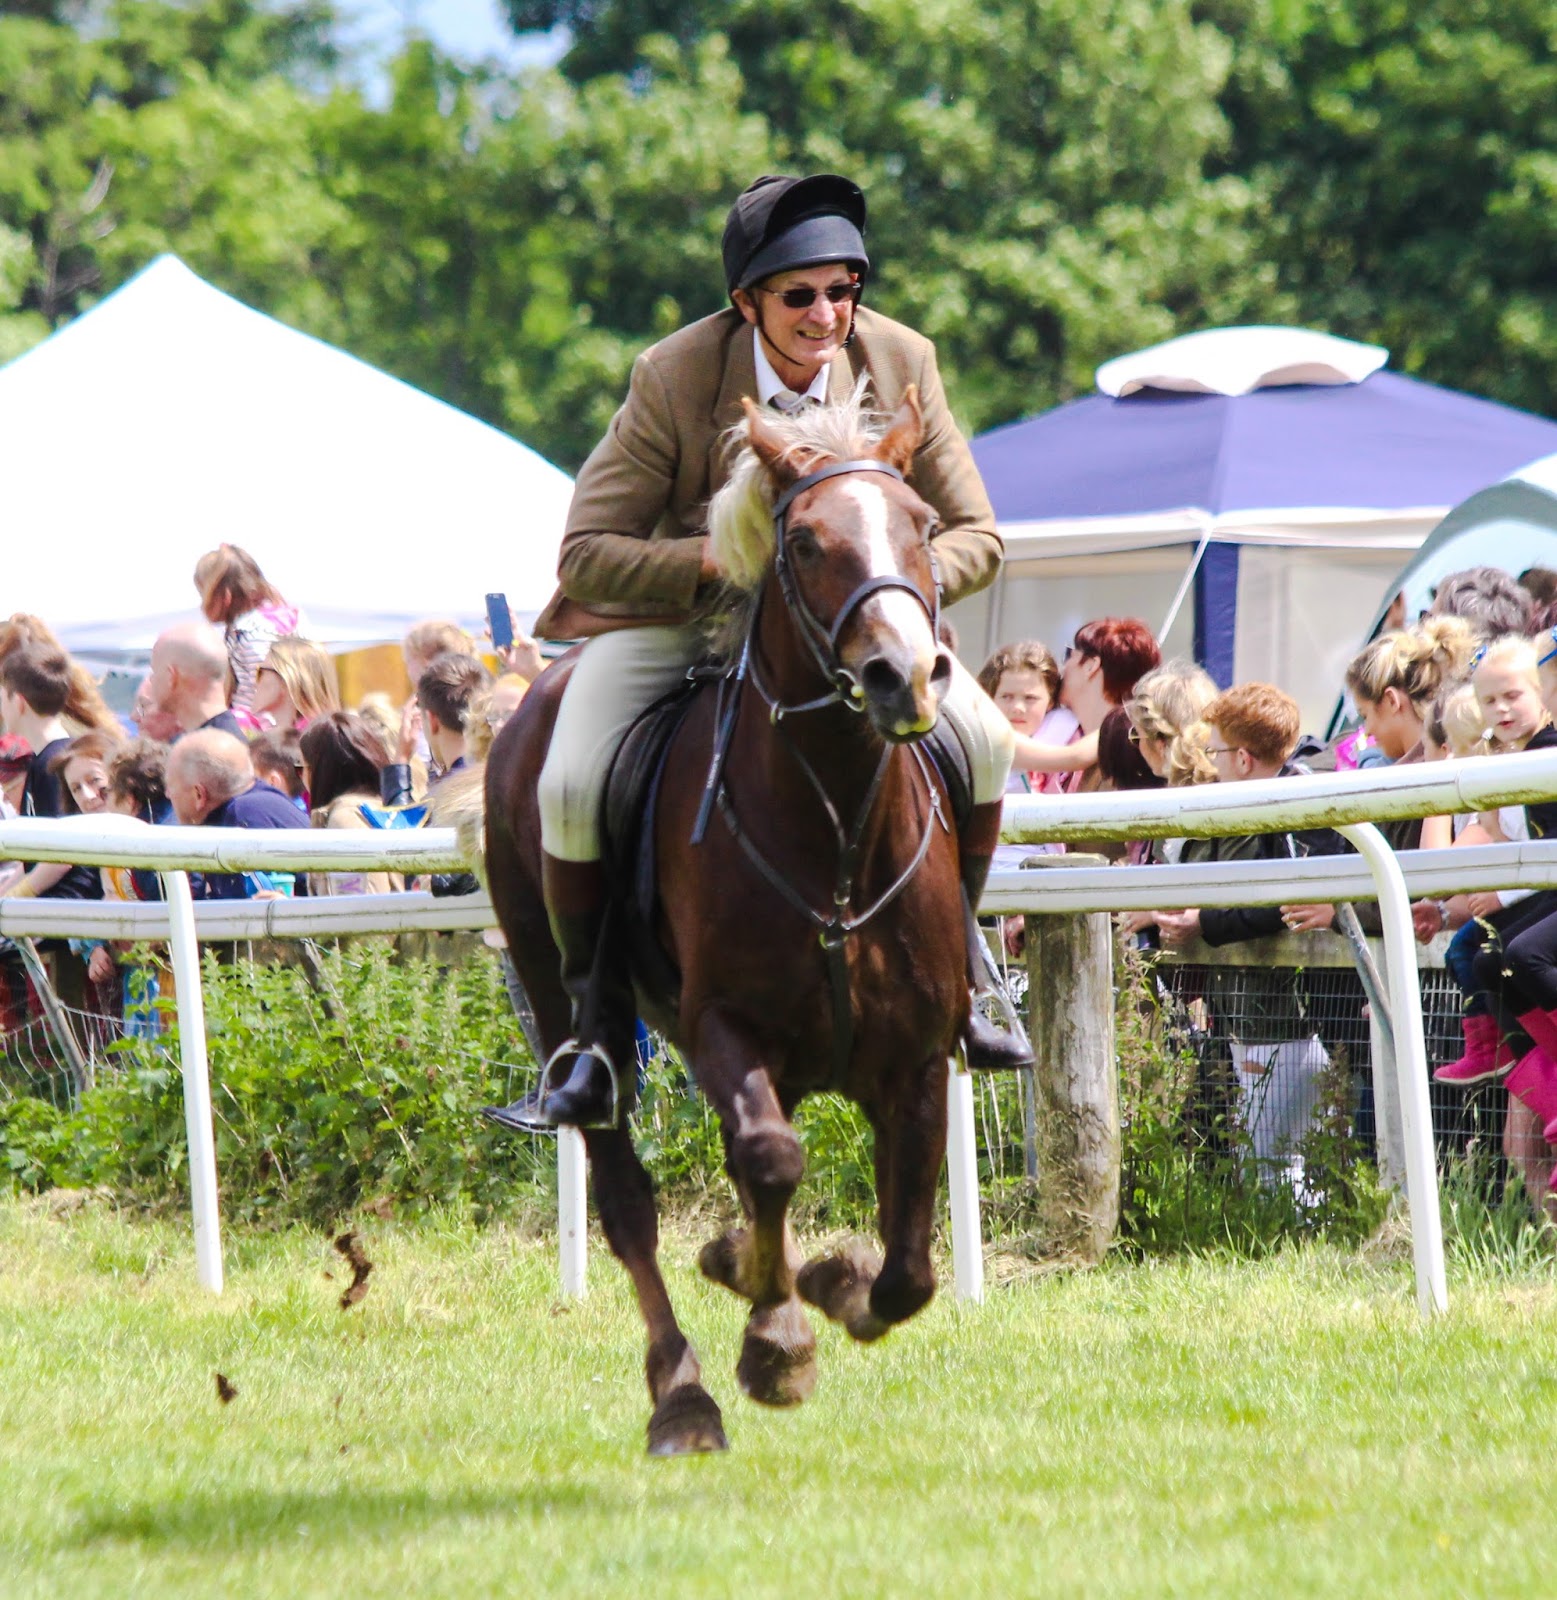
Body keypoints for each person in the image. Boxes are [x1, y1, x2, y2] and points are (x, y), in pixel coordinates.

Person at [493, 170, 1025, 1133]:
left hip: (854, 622)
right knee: (569, 782)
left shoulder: (903, 358)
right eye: (799, 295)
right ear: (747, 303)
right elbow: (586, 552)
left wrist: (887, 583)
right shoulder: (677, 373)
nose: (826, 314)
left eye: (842, 290)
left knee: (987, 742)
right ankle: (594, 1034)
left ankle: (966, 975)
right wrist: (715, 559)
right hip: (688, 614)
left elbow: (979, 534)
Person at [1153, 683, 1346, 1191]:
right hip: (1275, 1014)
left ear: (1242, 757)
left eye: (1215, 751)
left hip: (1292, 1017)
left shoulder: (1294, 800)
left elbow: (1280, 900)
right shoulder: (1282, 795)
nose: (1210, 763)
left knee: (1276, 1163)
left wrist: (1204, 924)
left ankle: (1289, 1251)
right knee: (1268, 1160)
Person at [1008, 619, 1162, 791]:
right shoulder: (1076, 735)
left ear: (1091, 665)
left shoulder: (1126, 742)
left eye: (1069, 655)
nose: (1063, 668)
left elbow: (1073, 757)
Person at [163, 729, 305, 899]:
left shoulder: (243, 817)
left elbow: (250, 910)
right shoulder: (253, 804)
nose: (167, 794)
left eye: (171, 786)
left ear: (199, 794)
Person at [298, 713, 403, 897]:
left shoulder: (345, 820)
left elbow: (362, 910)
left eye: (301, 767)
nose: (301, 777)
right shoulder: (377, 807)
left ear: (320, 770)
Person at [194, 544, 300, 716]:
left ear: (223, 596)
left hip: (258, 727)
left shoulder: (248, 633)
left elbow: (265, 687)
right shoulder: (288, 618)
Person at [146, 621, 245, 740]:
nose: (151, 680)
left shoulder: (215, 750)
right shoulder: (228, 740)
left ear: (171, 677)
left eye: (154, 671)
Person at [249, 637, 340, 732]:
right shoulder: (259, 733)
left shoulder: (316, 740)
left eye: (260, 672)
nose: (252, 682)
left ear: (287, 680)